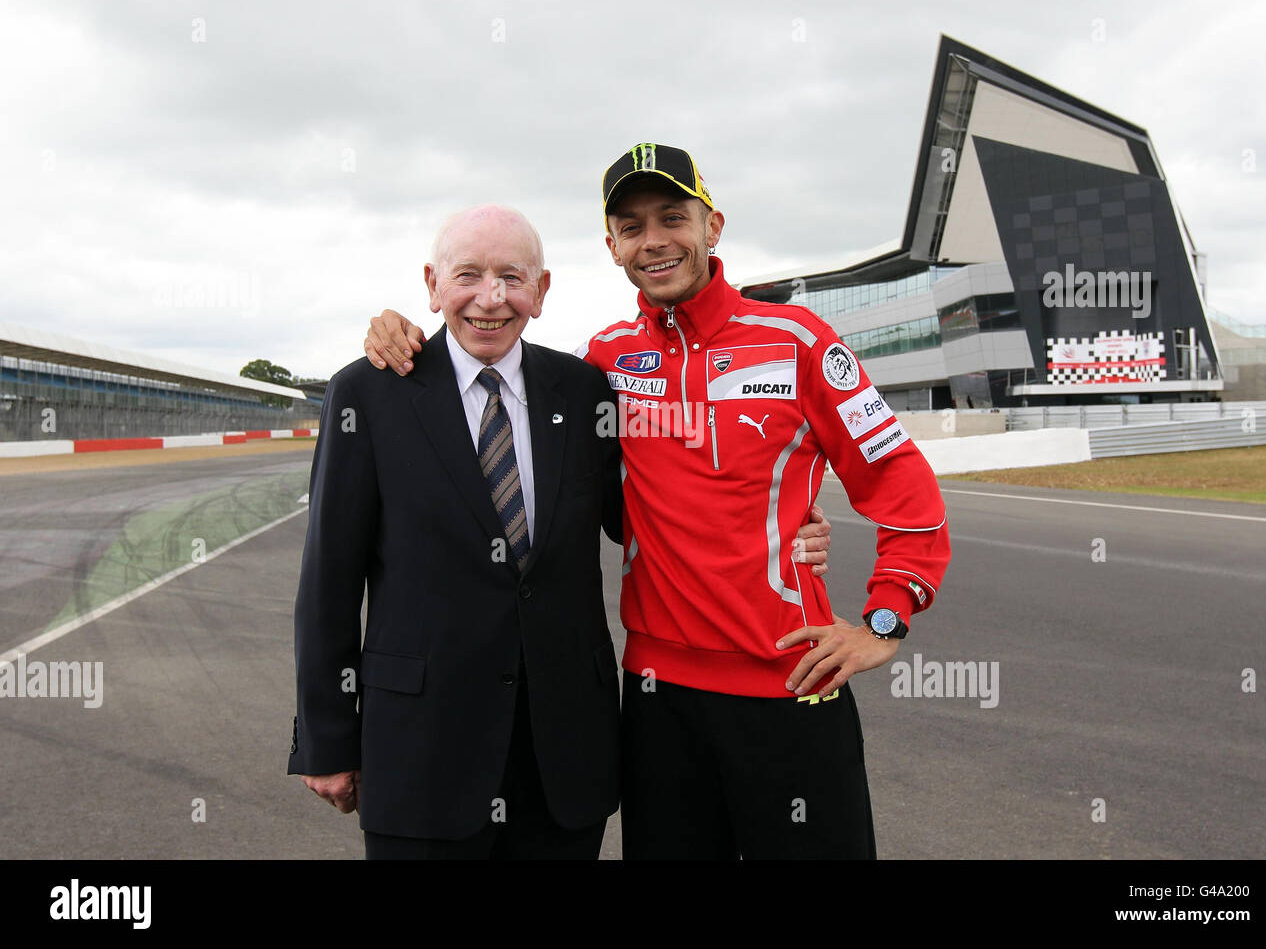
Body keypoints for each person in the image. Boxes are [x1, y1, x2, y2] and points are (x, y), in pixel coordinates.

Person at [364, 143, 950, 859]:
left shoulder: (797, 341)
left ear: (713, 225)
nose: (655, 240)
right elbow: (554, 474)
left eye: (674, 217)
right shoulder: (600, 365)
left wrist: (887, 619)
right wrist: (401, 336)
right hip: (654, 700)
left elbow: (897, 476)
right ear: (611, 247)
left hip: (793, 688)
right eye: (633, 226)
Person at [292, 204, 830, 859]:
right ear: (432, 285)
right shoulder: (367, 393)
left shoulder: (583, 392)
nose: (491, 298)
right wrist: (326, 740)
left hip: (564, 761)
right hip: (421, 754)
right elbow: (329, 580)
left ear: (541, 292)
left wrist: (778, 521)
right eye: (468, 276)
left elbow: (646, 515)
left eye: (513, 277)